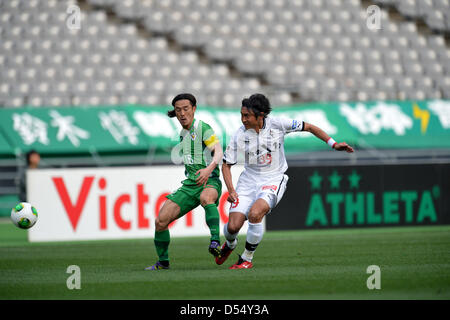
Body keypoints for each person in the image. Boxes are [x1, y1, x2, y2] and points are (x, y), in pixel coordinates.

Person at [217, 93, 354, 269]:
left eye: (247, 115)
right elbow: (226, 165)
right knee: (233, 227)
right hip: (248, 182)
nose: (243, 119)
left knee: (255, 214)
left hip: (273, 179)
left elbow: (310, 127)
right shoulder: (239, 135)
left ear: (260, 116)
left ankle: (246, 259)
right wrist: (231, 190)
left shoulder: (279, 124)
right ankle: (229, 244)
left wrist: (333, 144)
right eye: (242, 115)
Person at [146, 93, 224, 270]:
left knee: (206, 198)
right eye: (178, 110)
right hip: (191, 184)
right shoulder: (183, 133)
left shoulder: (203, 128)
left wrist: (208, 169)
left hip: (210, 180)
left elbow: (218, 152)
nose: (182, 113)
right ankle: (163, 262)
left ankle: (215, 242)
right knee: (160, 221)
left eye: (186, 109)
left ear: (194, 109)